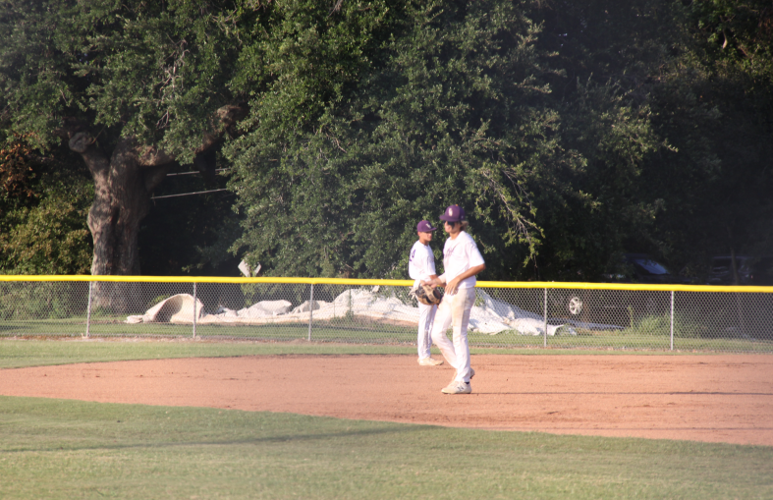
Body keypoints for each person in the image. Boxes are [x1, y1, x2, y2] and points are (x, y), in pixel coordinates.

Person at [425, 205, 486, 394]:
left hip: (463, 291)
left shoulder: (465, 240)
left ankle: (464, 382)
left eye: (451, 222)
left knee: (459, 335)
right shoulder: (448, 243)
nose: (447, 224)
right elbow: (451, 273)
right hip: (450, 293)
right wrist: (436, 281)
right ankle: (464, 369)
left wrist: (458, 279)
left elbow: (479, 264)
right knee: (436, 333)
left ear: (460, 223)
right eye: (446, 221)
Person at [409, 220, 444, 366]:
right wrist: (443, 288)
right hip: (425, 287)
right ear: (419, 233)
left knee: (430, 321)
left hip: (422, 284)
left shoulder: (419, 246)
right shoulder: (424, 251)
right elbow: (431, 276)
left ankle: (425, 354)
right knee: (426, 322)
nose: (430, 234)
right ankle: (424, 356)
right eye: (426, 232)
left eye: (431, 231)